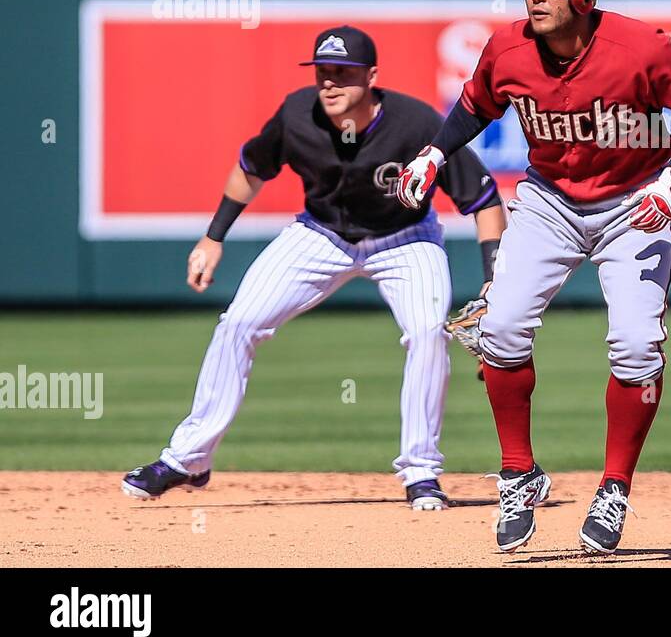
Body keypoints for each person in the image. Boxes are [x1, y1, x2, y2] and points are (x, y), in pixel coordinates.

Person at [395, 0, 671, 554]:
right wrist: (435, 152)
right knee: (500, 330)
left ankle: (615, 487)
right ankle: (519, 473)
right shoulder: (508, 48)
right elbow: (475, 104)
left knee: (636, 345)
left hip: (635, 201)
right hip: (549, 200)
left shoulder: (640, 47)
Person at [121, 26, 507, 509]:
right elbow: (251, 168)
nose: (330, 83)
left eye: (343, 74)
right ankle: (189, 459)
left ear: (371, 77)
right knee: (239, 322)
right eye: (323, 72)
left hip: (405, 239)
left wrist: (495, 281)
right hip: (320, 234)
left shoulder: (414, 124)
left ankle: (421, 472)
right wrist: (213, 236)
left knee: (429, 333)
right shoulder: (297, 114)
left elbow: (485, 199)